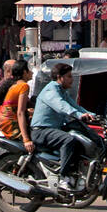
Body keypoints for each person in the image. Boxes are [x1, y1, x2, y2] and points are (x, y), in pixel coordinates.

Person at [32, 62, 96, 192]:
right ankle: (63, 178)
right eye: (69, 76)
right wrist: (79, 115)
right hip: (41, 131)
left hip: (53, 130)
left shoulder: (62, 91)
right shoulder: (52, 89)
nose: (72, 79)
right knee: (68, 140)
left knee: (78, 141)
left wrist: (93, 115)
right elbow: (62, 107)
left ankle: (74, 173)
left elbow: (76, 106)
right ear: (59, 77)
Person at [0, 59, 34, 152]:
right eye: (29, 70)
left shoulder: (15, 85)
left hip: (2, 122)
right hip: (10, 125)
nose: (31, 72)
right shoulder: (24, 86)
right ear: (25, 72)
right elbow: (20, 112)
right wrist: (26, 139)